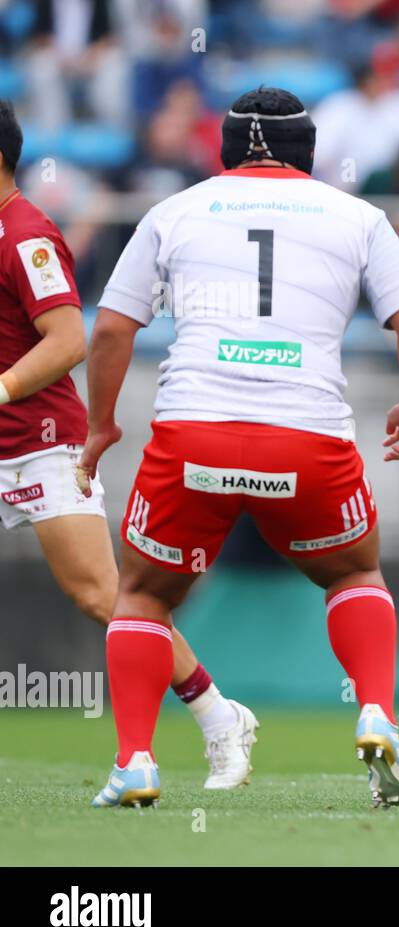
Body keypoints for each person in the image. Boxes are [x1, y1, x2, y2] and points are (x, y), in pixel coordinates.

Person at [78, 87, 399, 809]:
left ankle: (137, 763)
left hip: (195, 437)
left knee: (145, 595)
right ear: (308, 151)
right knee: (354, 576)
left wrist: (101, 424)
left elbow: (113, 329)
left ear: (225, 148)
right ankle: (373, 709)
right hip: (306, 441)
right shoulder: (358, 215)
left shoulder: (175, 210)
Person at [0, 99, 257, 791]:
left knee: (102, 594)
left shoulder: (24, 235)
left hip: (36, 444)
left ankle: (215, 715)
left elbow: (67, 338)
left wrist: (3, 388)